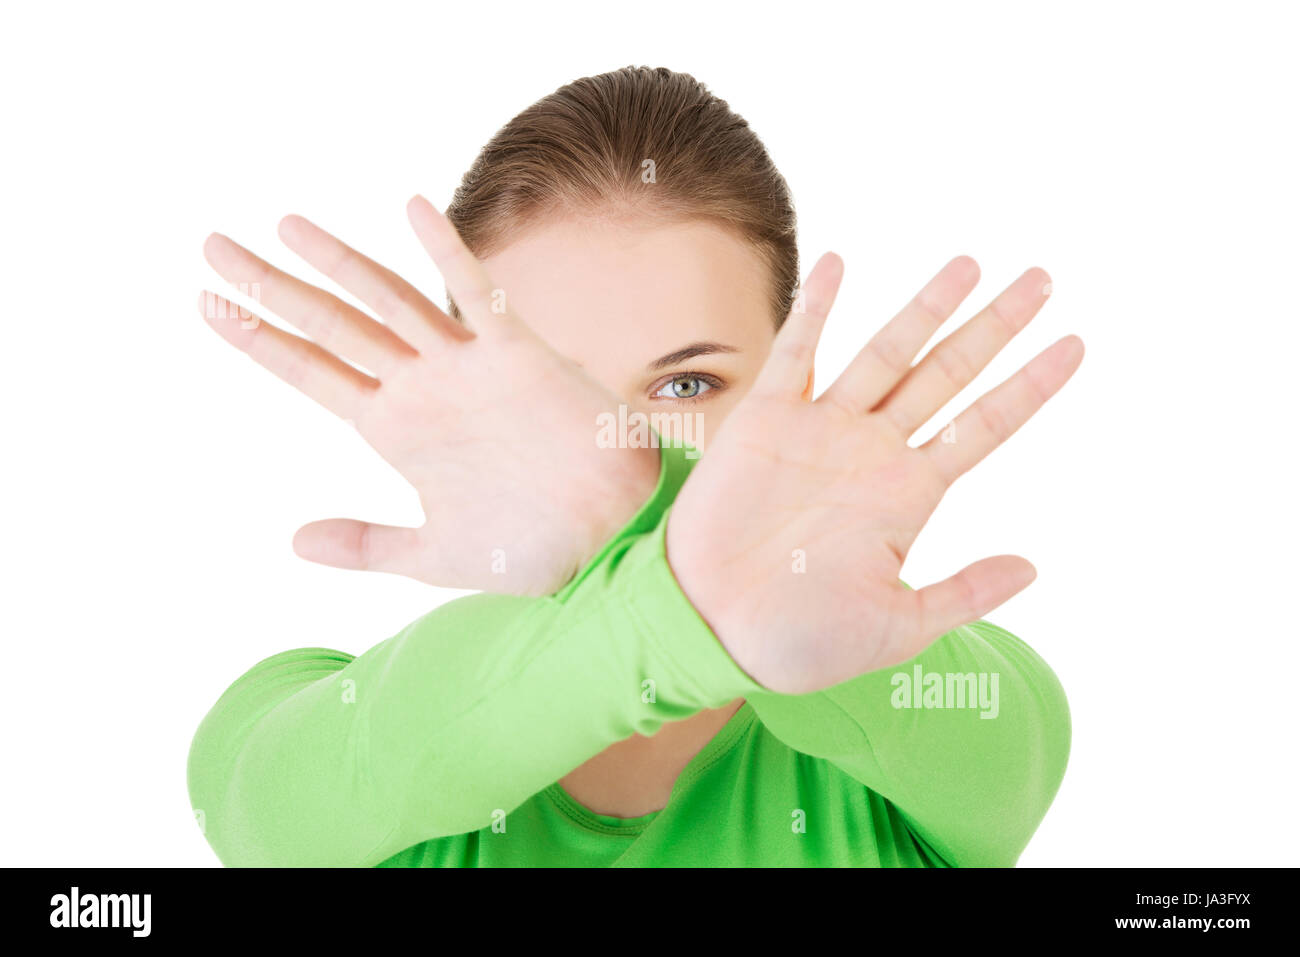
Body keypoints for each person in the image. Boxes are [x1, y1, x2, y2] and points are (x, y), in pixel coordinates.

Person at [188, 65, 1082, 867]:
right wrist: (669, 579)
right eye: (558, 384)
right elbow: (271, 818)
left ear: (794, 382)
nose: (624, 447)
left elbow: (1002, 745)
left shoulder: (930, 717)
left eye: (687, 382)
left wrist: (648, 553)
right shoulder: (328, 727)